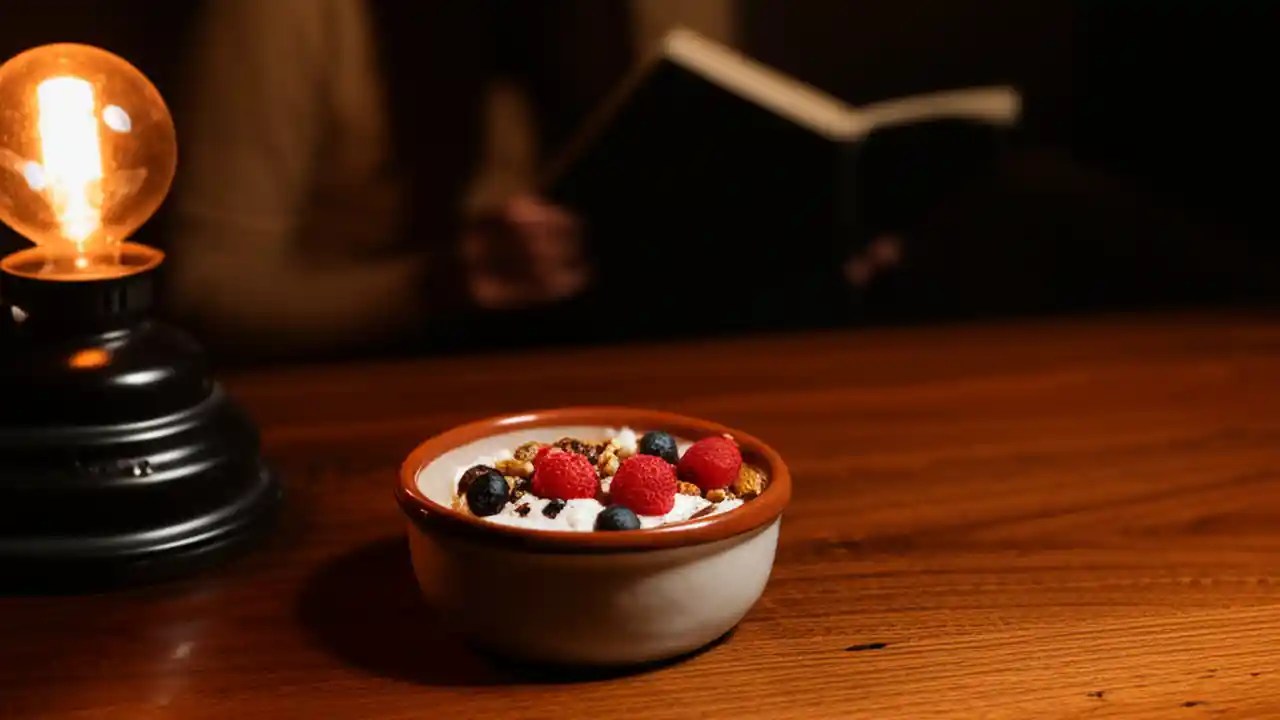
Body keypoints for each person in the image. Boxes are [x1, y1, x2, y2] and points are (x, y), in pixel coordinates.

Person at [169, 0, 743, 358]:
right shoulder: (291, 15)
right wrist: (432, 287)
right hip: (378, 383)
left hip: (629, 368)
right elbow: (208, 295)